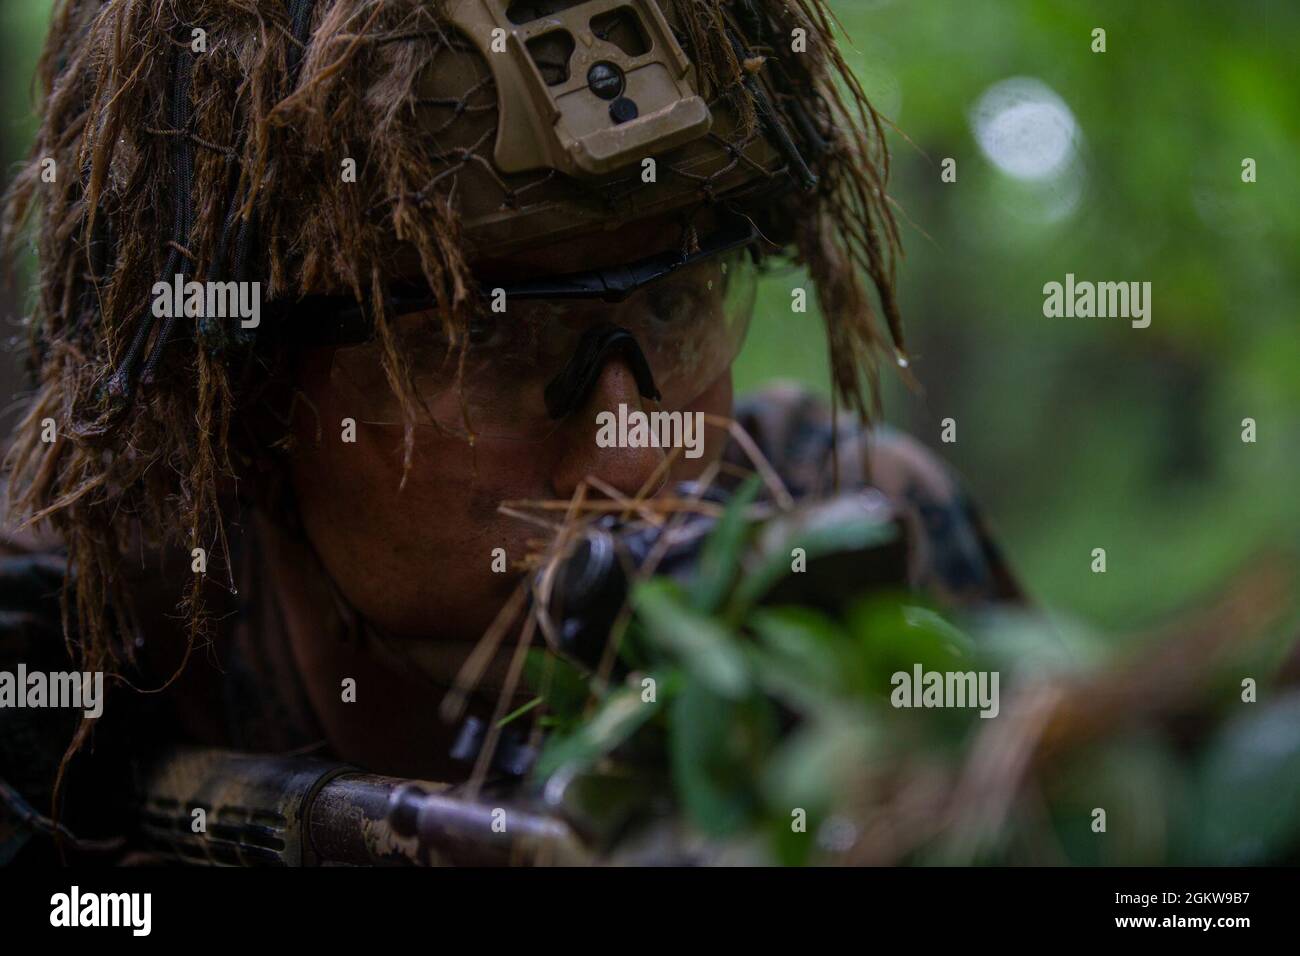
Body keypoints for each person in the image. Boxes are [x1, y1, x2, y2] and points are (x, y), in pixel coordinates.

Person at [0, 0, 1020, 865]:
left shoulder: (853, 534)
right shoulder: (81, 643)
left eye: (676, 305)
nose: (631, 455)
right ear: (237, 401)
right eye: (481, 341)